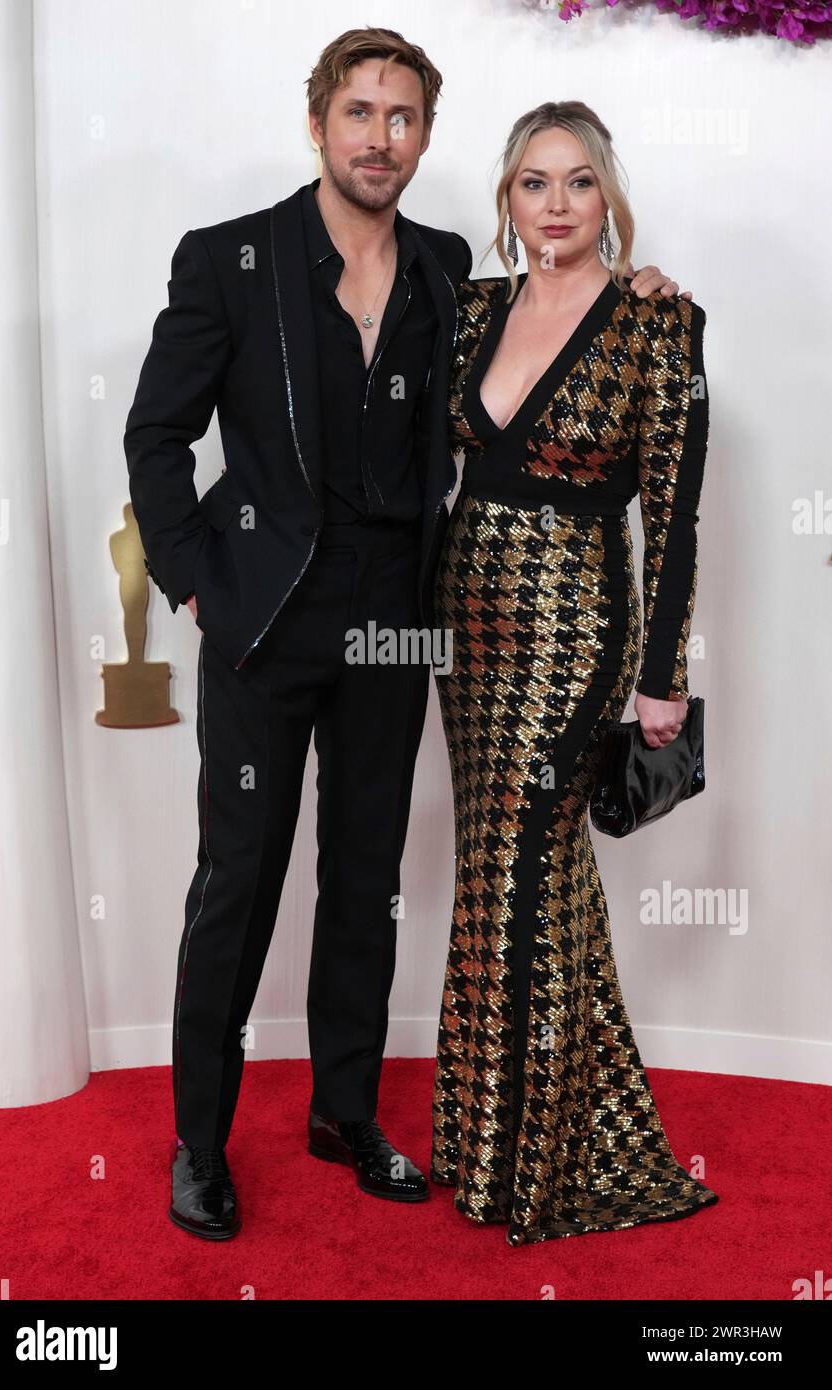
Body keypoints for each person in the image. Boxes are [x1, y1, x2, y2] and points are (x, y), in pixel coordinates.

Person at [124, 28, 688, 1241]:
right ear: (318, 119)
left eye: (403, 117)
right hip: (264, 622)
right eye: (359, 111)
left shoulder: (448, 273)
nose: (380, 136)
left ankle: (342, 1111)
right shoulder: (229, 259)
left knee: (366, 876)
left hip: (400, 623)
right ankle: (199, 1143)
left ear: (425, 136)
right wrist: (195, 589)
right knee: (239, 879)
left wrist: (642, 281)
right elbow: (154, 439)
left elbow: (561, 306)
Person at [429, 100, 718, 1246]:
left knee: (525, 870)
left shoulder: (660, 323)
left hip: (576, 629)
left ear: (609, 194)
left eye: (577, 182)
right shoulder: (472, 310)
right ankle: (492, 1139)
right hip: (465, 627)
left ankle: (540, 1162)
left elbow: (675, 520)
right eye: (532, 183)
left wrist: (663, 677)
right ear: (507, 199)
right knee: (500, 872)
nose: (554, 205)